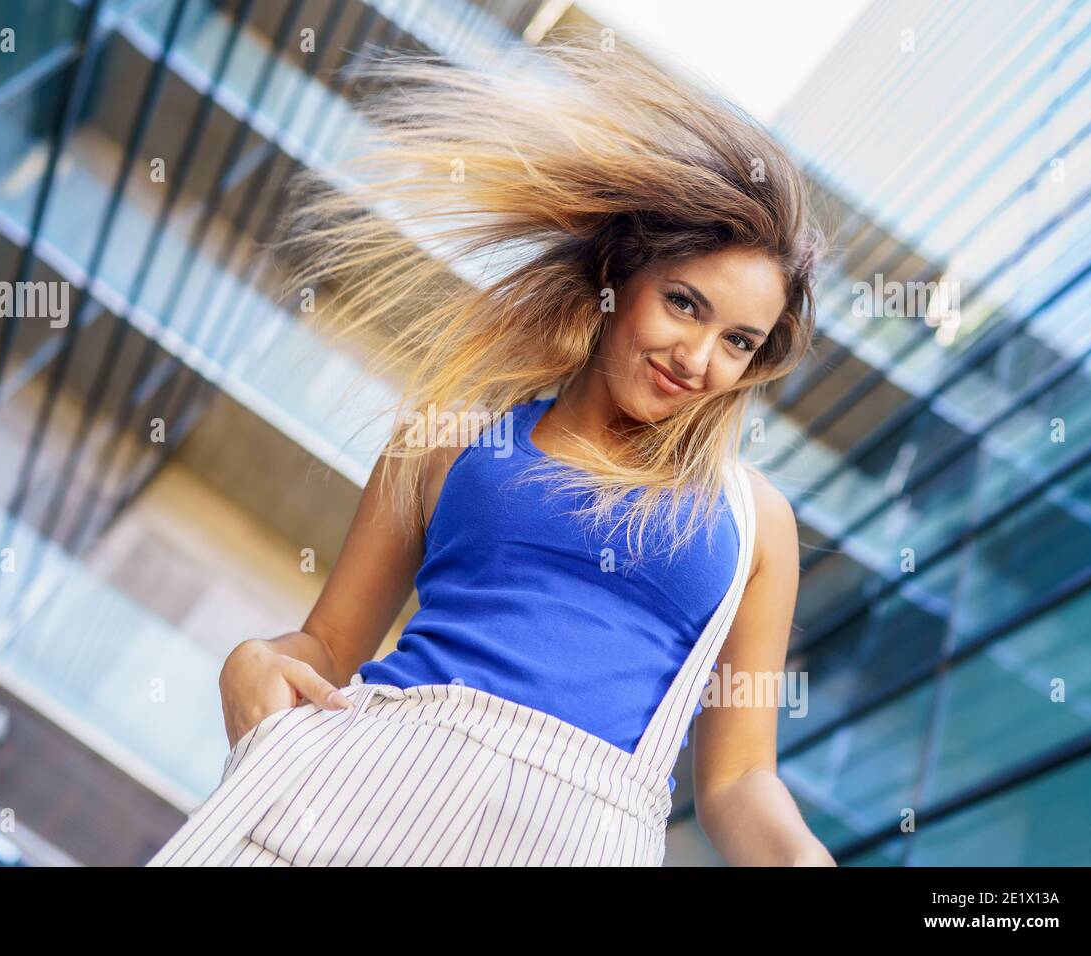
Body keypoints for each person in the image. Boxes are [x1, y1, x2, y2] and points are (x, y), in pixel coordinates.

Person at [148, 24, 834, 867]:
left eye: (738, 342)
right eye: (684, 304)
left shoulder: (756, 524)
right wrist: (250, 661)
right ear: (621, 275)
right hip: (363, 786)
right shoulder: (451, 435)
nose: (697, 358)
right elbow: (326, 647)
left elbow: (737, 781)